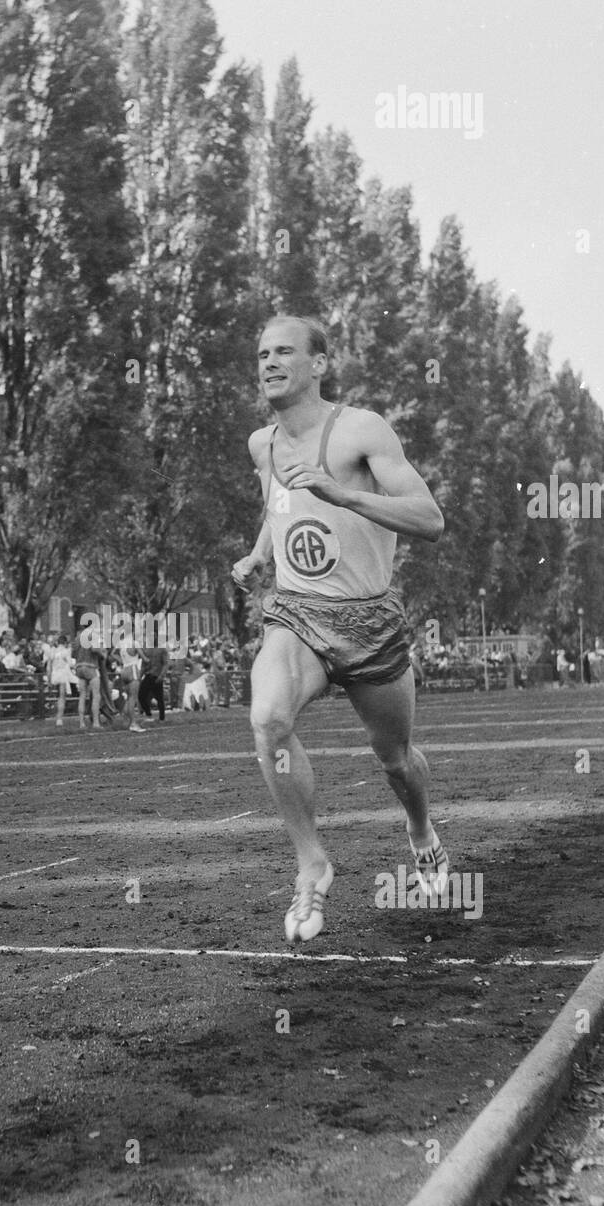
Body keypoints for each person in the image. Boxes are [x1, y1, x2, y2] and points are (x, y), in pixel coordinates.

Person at [232, 315, 446, 944]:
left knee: (396, 760)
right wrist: (257, 556)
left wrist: (344, 494)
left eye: (284, 352)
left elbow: (430, 519)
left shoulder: (359, 430)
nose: (270, 362)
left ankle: (421, 832)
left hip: (370, 619)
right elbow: (279, 504)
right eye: (262, 353)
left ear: (319, 363)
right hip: (297, 611)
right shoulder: (261, 445)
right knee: (267, 717)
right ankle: (311, 862)